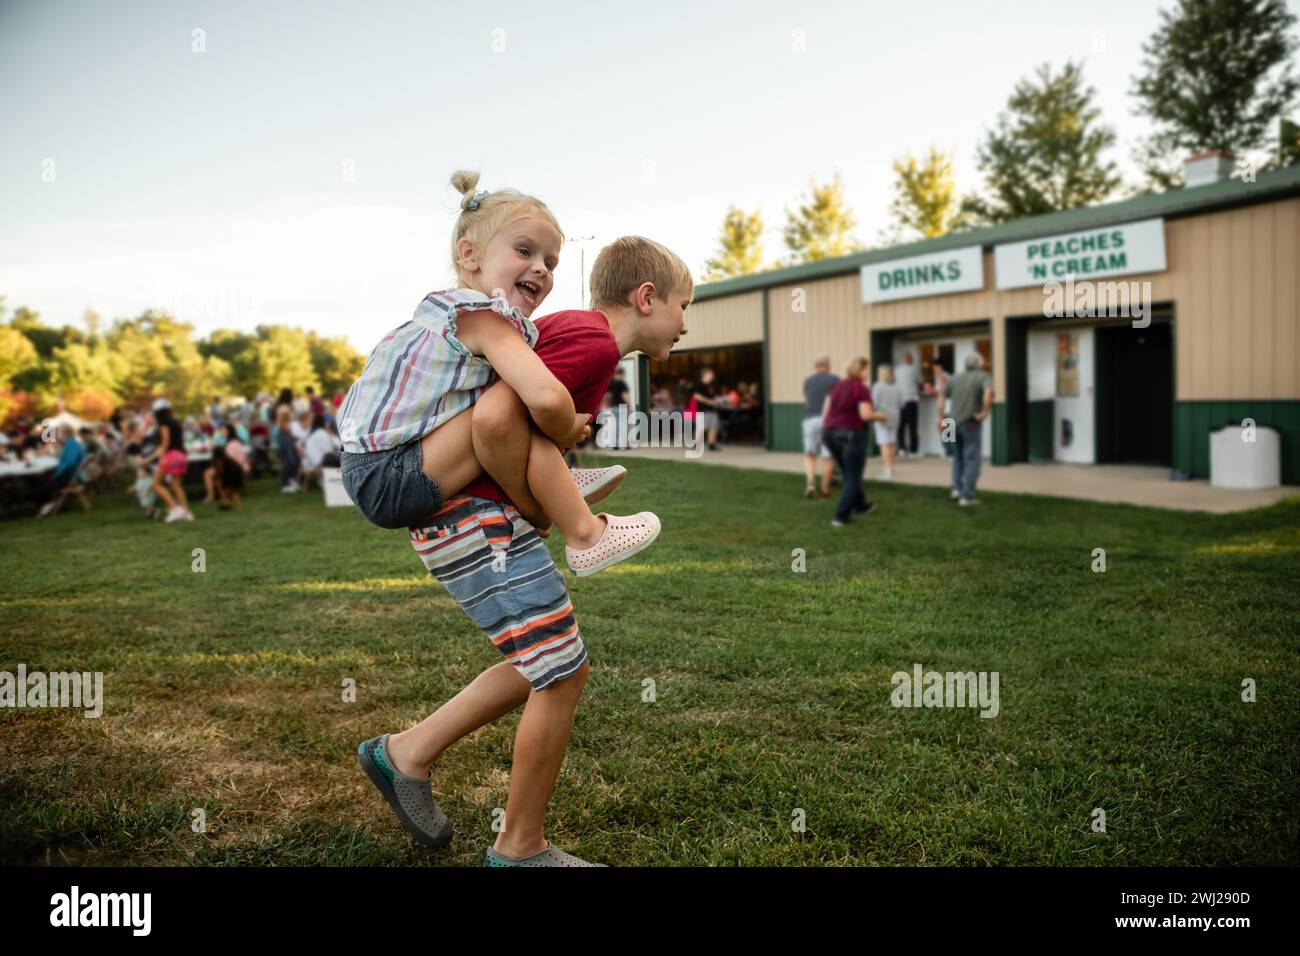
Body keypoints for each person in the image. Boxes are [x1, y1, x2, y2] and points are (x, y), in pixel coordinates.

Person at [356, 231, 692, 869]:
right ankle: (519, 850)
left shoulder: (578, 331)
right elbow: (496, 419)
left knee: (544, 662)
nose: (685, 325)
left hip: (471, 512)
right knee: (562, 672)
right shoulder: (594, 344)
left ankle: (405, 754)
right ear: (647, 298)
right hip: (473, 516)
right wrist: (546, 511)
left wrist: (551, 482)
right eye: (683, 308)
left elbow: (521, 427)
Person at [337, 171, 654, 575]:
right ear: (469, 255)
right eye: (525, 251)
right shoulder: (482, 317)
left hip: (373, 466)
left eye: (550, 262)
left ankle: (558, 488)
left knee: (507, 408)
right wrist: (566, 429)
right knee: (513, 411)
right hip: (391, 475)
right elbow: (547, 396)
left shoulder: (445, 311)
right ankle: (585, 533)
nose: (541, 269)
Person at [821, 357, 887, 527]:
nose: (868, 373)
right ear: (860, 370)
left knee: (848, 473)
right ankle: (840, 517)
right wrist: (883, 416)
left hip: (829, 433)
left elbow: (826, 411)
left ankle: (861, 506)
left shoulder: (836, 386)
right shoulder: (861, 388)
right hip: (850, 434)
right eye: (866, 369)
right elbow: (866, 415)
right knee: (853, 477)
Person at [942, 352, 994, 506]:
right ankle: (966, 497)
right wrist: (984, 413)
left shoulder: (954, 378)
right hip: (969, 422)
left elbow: (941, 397)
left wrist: (939, 418)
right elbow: (988, 394)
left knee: (956, 457)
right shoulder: (983, 376)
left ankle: (956, 489)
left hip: (949, 422)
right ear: (979, 364)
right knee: (972, 460)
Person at [147, 398, 194, 522]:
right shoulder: (176, 422)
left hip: (170, 456)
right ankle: (187, 513)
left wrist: (161, 458)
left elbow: (165, 442)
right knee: (176, 485)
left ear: (156, 412)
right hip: (181, 455)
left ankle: (175, 509)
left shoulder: (163, 424)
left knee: (155, 484)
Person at [801, 356, 838, 499]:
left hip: (809, 419)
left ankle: (810, 483)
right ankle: (824, 490)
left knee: (810, 454)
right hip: (828, 420)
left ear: (816, 366)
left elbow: (807, 400)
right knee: (827, 457)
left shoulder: (807, 381)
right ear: (828, 366)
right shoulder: (835, 379)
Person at [34, 425, 86, 518]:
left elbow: (70, 463)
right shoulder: (71, 443)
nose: (57, 435)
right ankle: (49, 504)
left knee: (39, 488)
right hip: (70, 475)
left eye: (58, 433)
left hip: (69, 477)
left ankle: (48, 505)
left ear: (64, 434)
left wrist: (59, 471)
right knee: (42, 481)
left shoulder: (71, 445)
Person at [871, 364, 902, 480]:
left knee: (884, 444)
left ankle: (887, 470)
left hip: (882, 416)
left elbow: (874, 403)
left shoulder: (878, 386)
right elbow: (901, 403)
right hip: (895, 416)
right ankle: (891, 466)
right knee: (892, 442)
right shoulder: (897, 386)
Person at [300, 414, 341, 489]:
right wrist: (331, 433)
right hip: (321, 462)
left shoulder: (312, 434)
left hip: (311, 462)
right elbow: (334, 447)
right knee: (338, 457)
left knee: (334, 456)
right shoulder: (322, 433)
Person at [895, 350, 920, 458]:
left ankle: (901, 448)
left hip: (899, 401)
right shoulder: (914, 370)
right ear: (910, 359)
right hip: (911, 400)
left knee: (900, 426)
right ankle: (913, 450)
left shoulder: (897, 370)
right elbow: (920, 382)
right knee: (913, 426)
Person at [691, 367, 722, 451]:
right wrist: (709, 402)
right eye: (711, 374)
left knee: (713, 427)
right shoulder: (699, 385)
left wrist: (716, 402)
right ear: (705, 375)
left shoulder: (711, 386)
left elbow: (713, 396)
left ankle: (712, 444)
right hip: (703, 410)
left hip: (712, 410)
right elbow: (696, 396)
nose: (712, 376)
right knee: (700, 427)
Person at [274, 404, 301, 493]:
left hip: (289, 445)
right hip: (284, 447)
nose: (287, 415)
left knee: (295, 461)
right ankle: (285, 484)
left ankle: (291, 480)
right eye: (285, 414)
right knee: (289, 462)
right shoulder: (281, 426)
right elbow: (285, 433)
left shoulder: (288, 424)